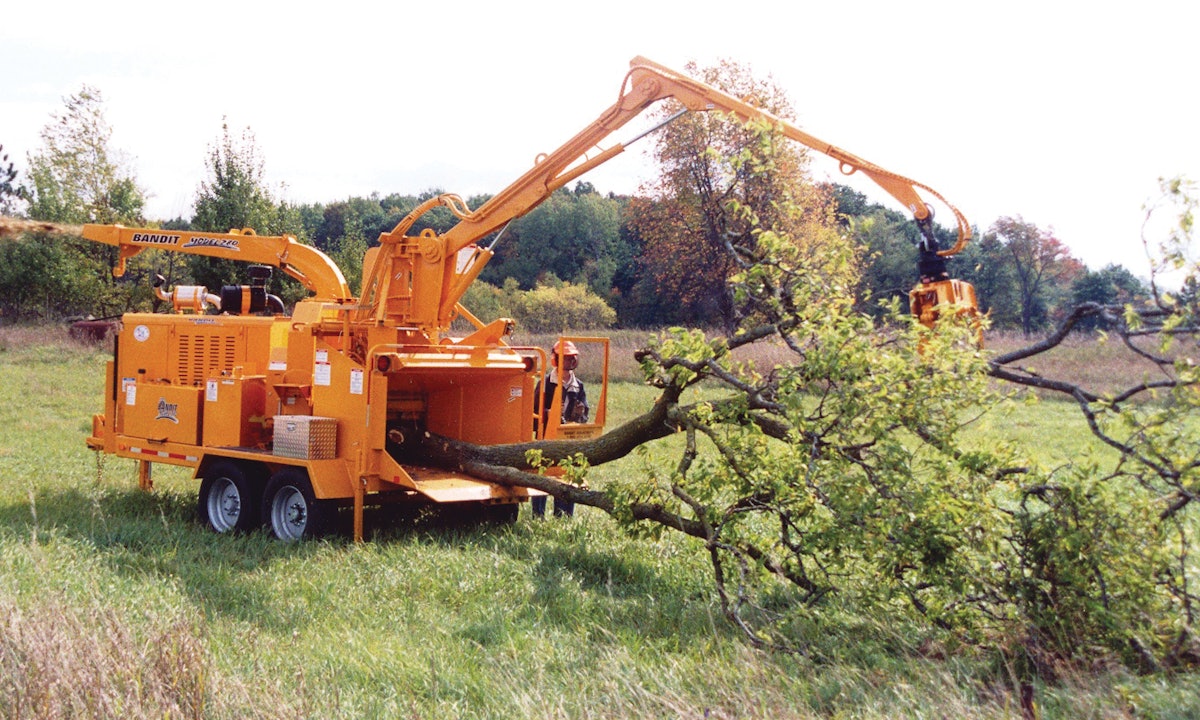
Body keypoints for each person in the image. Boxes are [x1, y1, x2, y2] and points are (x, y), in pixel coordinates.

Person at [531, 340, 588, 518]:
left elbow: (584, 416)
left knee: (567, 478)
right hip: (546, 439)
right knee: (543, 476)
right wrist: (548, 415)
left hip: (568, 440)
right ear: (556, 360)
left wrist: (579, 415)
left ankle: (563, 517)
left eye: (573, 358)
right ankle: (538, 516)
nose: (571, 361)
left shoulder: (578, 386)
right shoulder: (545, 383)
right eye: (567, 358)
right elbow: (534, 414)